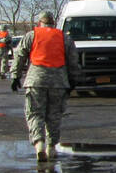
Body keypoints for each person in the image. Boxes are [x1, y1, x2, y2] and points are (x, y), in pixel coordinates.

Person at [11, 11, 81, 162]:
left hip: (36, 79)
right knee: (54, 115)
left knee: (35, 113)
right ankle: (51, 147)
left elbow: (20, 54)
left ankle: (39, 144)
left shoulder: (31, 35)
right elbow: (73, 60)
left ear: (39, 23)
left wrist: (15, 76)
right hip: (58, 81)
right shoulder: (64, 37)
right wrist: (73, 79)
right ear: (54, 23)